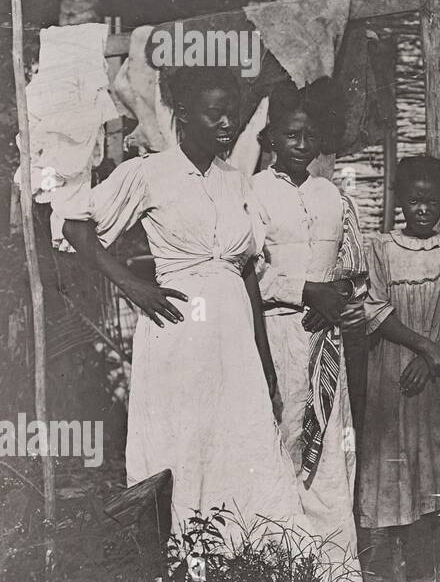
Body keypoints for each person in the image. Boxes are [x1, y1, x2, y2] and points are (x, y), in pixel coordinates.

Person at [62, 67, 305, 545]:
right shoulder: (150, 173)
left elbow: (248, 273)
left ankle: (243, 557)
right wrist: (134, 284)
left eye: (230, 115)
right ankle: (184, 558)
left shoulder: (237, 182)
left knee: (239, 436)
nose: (225, 125)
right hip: (179, 325)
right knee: (186, 439)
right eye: (214, 114)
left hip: (233, 336)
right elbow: (75, 227)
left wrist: (262, 354)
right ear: (184, 116)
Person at [253, 78, 365, 582]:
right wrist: (306, 290)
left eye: (310, 135)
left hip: (326, 338)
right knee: (283, 439)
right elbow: (247, 271)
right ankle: (278, 570)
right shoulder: (254, 193)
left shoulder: (332, 196)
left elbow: (355, 269)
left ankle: (333, 578)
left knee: (330, 450)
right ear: (273, 137)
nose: (301, 143)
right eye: (291, 134)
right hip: (277, 332)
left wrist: (334, 295)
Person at [359, 156, 440, 582]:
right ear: (399, 201)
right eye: (414, 201)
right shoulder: (381, 249)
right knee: (395, 472)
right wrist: (423, 348)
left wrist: (433, 357)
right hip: (394, 379)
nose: (423, 210)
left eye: (432, 202)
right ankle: (397, 581)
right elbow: (373, 309)